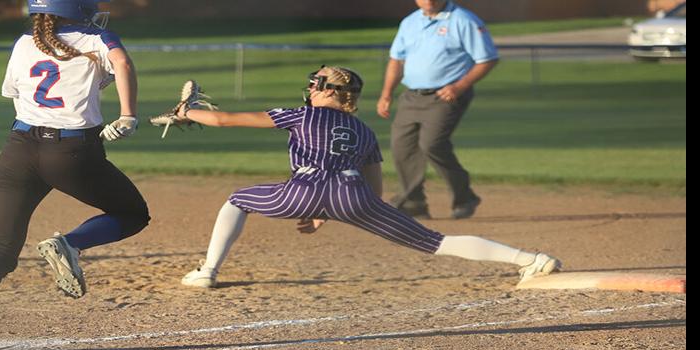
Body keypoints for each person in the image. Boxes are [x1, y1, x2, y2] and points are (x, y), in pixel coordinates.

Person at [161, 67, 560, 289]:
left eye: (314, 83)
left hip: (301, 190)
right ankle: (530, 259)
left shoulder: (302, 114)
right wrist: (333, 211)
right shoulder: (365, 131)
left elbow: (224, 119)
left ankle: (207, 272)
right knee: (436, 242)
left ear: (324, 90)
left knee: (237, 200)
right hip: (355, 196)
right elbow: (376, 188)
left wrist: (185, 112)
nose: (309, 88)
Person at [0, 0, 150, 350]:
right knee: (132, 213)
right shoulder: (96, 39)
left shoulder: (24, 43)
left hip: (18, 149)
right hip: (72, 152)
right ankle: (71, 244)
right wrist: (128, 115)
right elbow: (123, 63)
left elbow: (16, 94)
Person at [377, 0, 498, 219]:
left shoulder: (463, 20)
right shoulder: (410, 22)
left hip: (446, 95)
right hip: (412, 95)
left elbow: (487, 59)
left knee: (432, 144)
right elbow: (396, 60)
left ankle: (464, 198)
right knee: (401, 146)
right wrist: (386, 94)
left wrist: (459, 86)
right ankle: (413, 203)